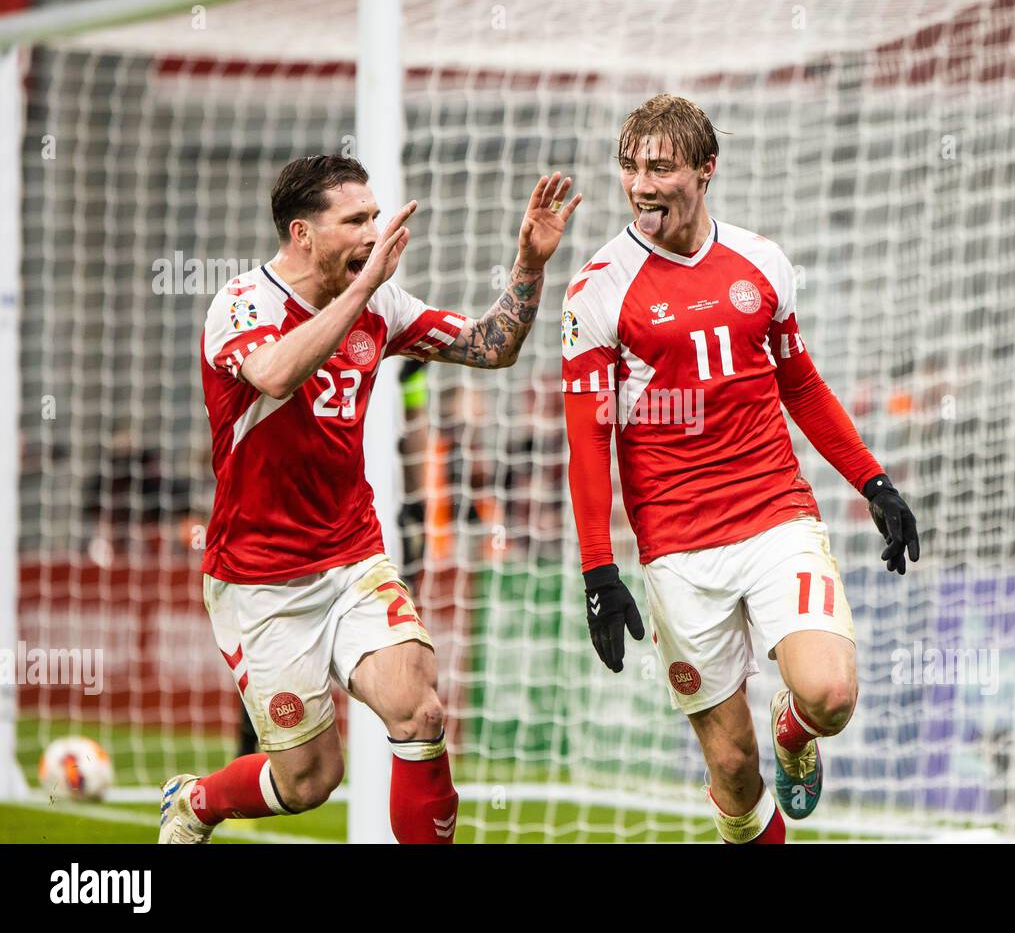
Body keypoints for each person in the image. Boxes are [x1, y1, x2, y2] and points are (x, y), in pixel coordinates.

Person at [160, 155, 581, 843]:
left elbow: (490, 346)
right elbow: (272, 375)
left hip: (353, 557)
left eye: (374, 217)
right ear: (302, 233)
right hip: (261, 577)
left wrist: (529, 265)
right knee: (308, 783)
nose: (373, 232)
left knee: (420, 713)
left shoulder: (380, 303)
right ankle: (197, 802)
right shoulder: (244, 301)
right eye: (355, 220)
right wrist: (359, 297)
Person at [561, 95, 918, 844]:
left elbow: (802, 384)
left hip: (773, 518)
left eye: (661, 166)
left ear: (706, 168)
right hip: (679, 550)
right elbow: (587, 439)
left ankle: (795, 730)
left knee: (830, 695)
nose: (641, 184)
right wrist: (600, 570)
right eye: (630, 167)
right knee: (732, 768)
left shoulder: (761, 261)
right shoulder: (598, 288)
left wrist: (873, 482)